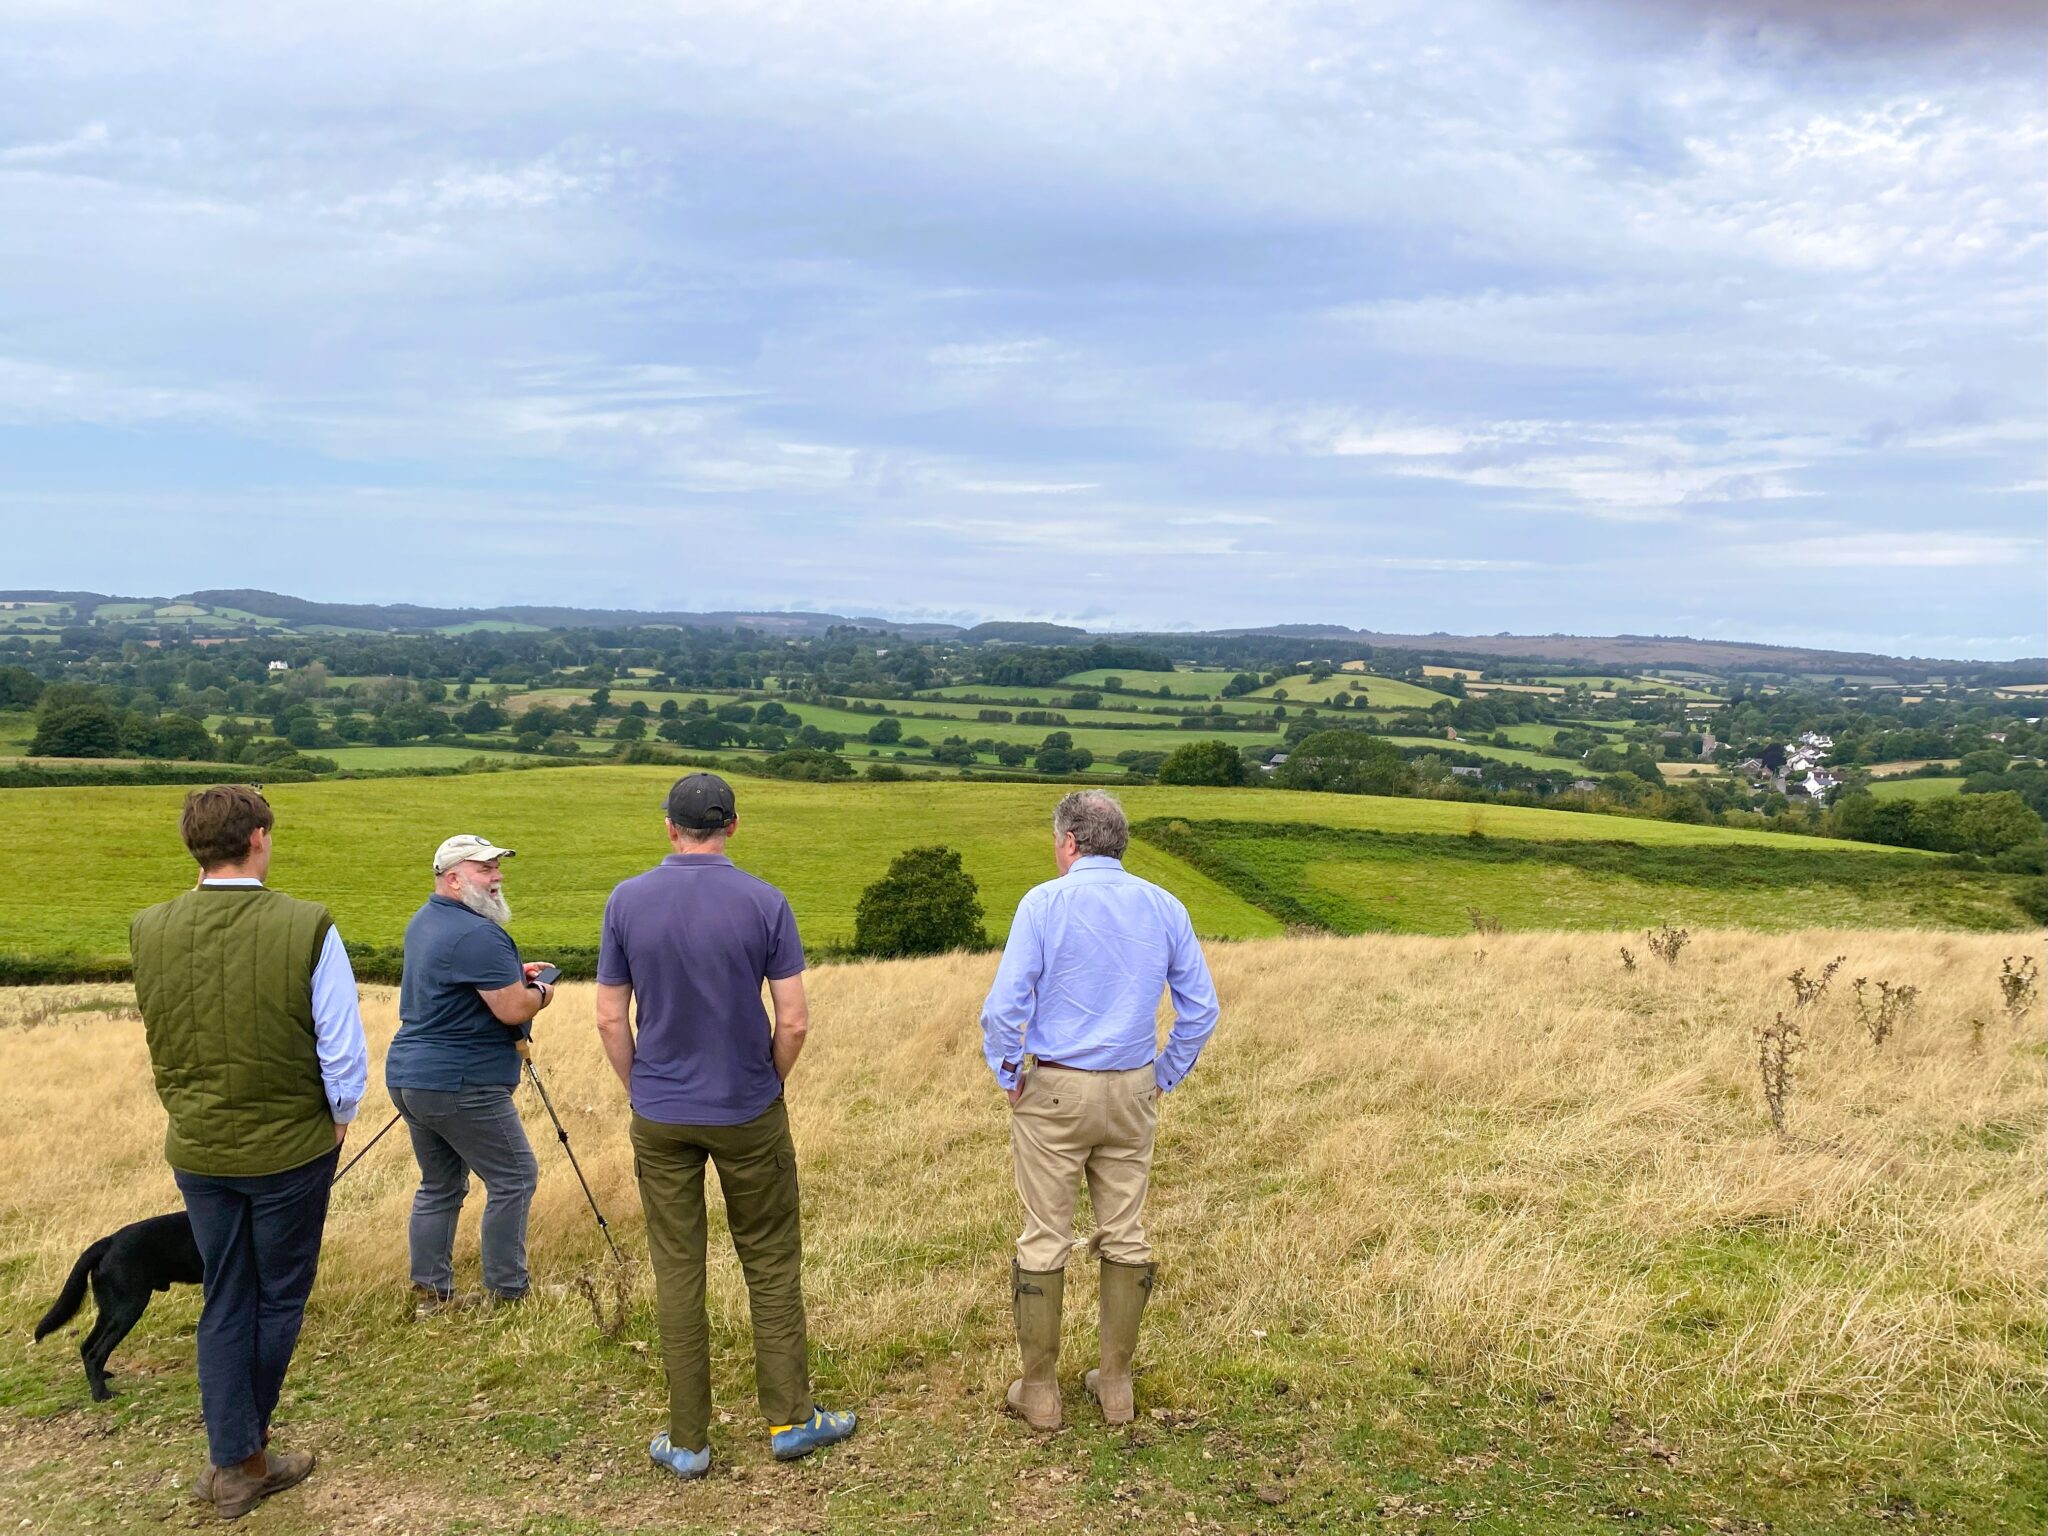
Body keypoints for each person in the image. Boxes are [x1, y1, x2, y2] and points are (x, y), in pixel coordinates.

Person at [595, 773, 856, 1480]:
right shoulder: (765, 902)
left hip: (661, 1112)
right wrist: (768, 1080)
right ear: (733, 825)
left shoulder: (626, 901)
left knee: (677, 1268)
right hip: (747, 1108)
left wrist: (641, 1087)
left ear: (669, 825)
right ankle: (791, 1420)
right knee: (769, 1260)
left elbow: (609, 1017)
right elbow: (795, 1019)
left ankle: (688, 1441)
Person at [129, 785, 368, 1520]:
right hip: (290, 1147)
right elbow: (343, 1050)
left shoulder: (150, 927)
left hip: (198, 1148)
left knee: (227, 1296)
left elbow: (161, 1034)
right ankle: (241, 1459)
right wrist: (336, 1122)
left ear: (192, 845)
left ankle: (236, 1452)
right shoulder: (307, 926)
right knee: (279, 1294)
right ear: (259, 836)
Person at [980, 789, 1219, 1431]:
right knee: (1126, 1231)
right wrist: (1164, 1074)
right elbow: (1202, 1010)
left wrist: (1007, 1072)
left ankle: (1041, 1392)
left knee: (1044, 1235)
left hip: (1055, 1089)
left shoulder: (1044, 902)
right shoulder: (1164, 905)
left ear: (1069, 842)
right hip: (1134, 1088)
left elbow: (1004, 1008)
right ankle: (1115, 1386)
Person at [386, 834, 554, 1309]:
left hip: (410, 1074)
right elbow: (512, 1008)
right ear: (454, 878)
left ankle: (430, 1293)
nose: (497, 876)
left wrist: (507, 975)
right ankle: (507, 1291)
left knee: (439, 1185)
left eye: (497, 866)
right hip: (462, 1080)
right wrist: (542, 991)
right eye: (485, 869)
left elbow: (461, 983)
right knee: (515, 1176)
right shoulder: (479, 933)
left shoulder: (426, 921)